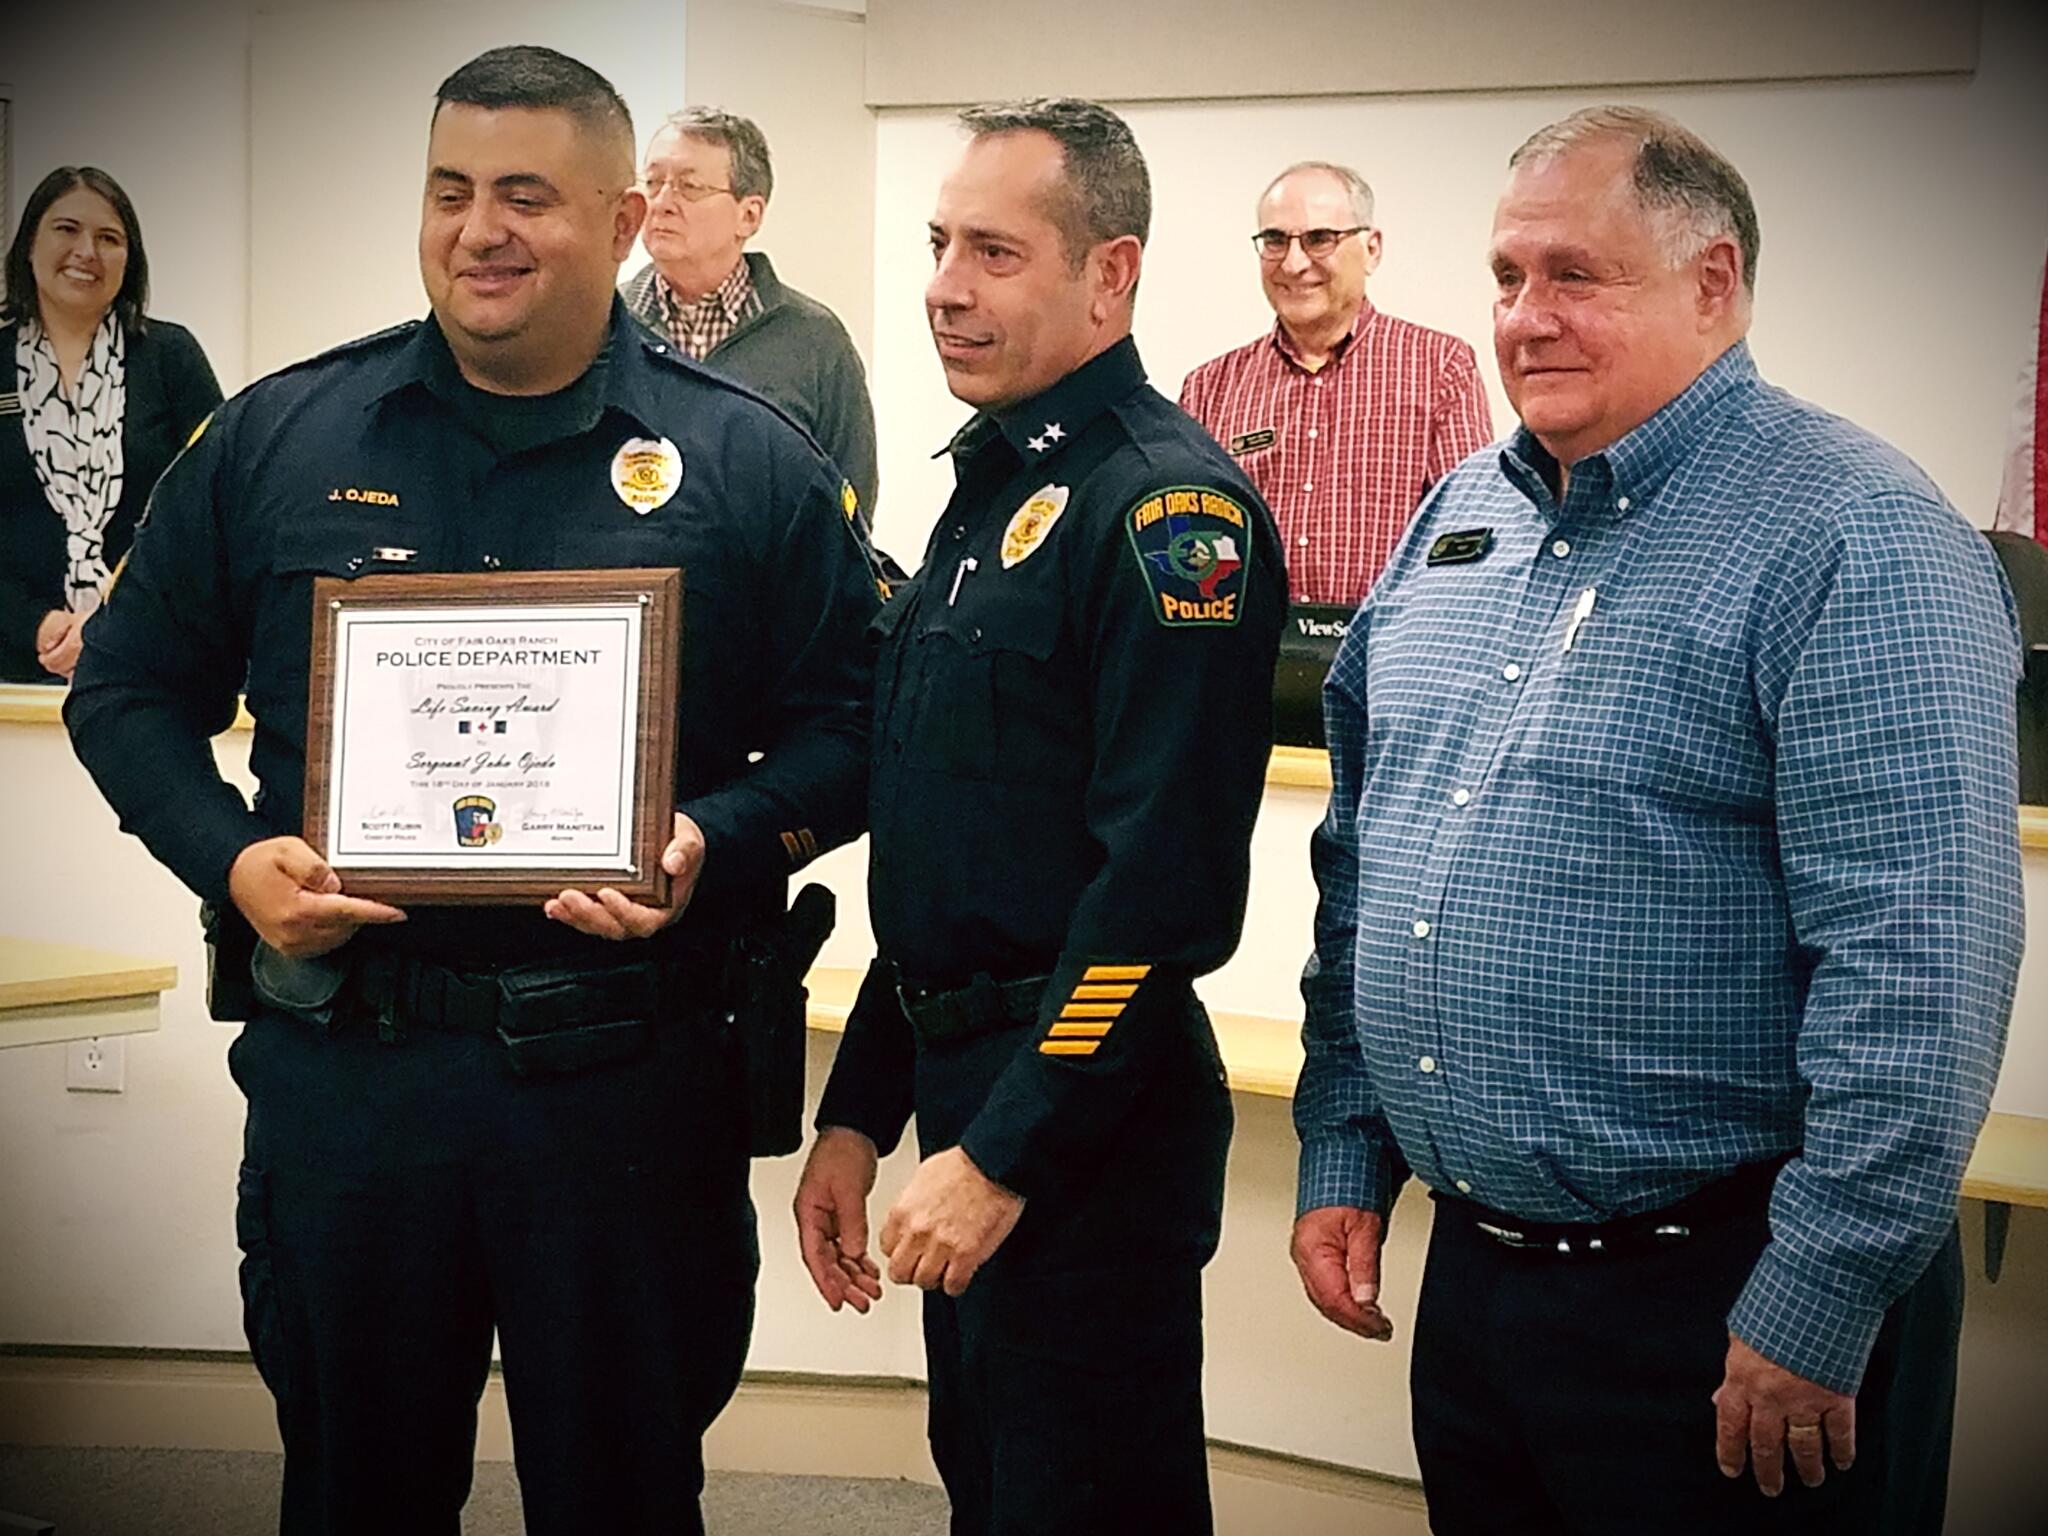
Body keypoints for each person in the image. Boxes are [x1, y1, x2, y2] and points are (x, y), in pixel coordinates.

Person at [64, 45, 877, 1536]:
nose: (478, 230)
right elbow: (123, 690)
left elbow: (858, 727)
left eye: (525, 195)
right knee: (357, 1494)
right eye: (449, 191)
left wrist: (718, 838)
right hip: (354, 1086)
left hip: (627, 1101)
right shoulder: (283, 436)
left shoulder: (746, 465)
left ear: (624, 222)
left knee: (622, 1497)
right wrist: (234, 862)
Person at [1291, 105, 2024, 1535]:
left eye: (1577, 274)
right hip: (1484, 1290)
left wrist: (1819, 1293)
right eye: (1505, 277)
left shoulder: (1857, 536)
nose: (1526, 317)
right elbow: (1365, 873)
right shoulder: (1461, 519)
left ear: (1714, 284)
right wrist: (1349, 1146)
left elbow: (1919, 966)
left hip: (1734, 1303)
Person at [791, 98, 1285, 1535]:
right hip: (971, 1087)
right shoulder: (990, 493)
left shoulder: (1164, 512)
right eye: (941, 243)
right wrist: (859, 1113)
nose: (946, 283)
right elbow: (957, 856)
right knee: (997, 1492)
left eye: (996, 252)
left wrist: (1010, 1147)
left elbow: (1160, 895)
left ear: (1108, 274)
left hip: (1087, 1118)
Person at [1179, 160, 1491, 607]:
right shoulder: (1210, 388)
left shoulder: (1440, 367)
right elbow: (1187, 542)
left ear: (1372, 249)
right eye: (1274, 240)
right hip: (1245, 663)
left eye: (1319, 239)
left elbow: (1469, 535)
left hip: (1384, 660)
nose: (1294, 262)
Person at [1, 166, 220, 682]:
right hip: (11, 666)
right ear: (30, 244)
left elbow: (211, 512)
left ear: (131, 261)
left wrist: (112, 621)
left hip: (149, 659)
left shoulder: (170, 357)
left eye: (108, 238)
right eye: (66, 230)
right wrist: (34, 625)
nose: (86, 252)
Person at [621, 106, 880, 526]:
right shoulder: (607, 324)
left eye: (688, 187)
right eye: (652, 183)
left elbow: (849, 499)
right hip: (637, 583)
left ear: (749, 215)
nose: (661, 203)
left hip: (768, 585)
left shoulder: (813, 339)